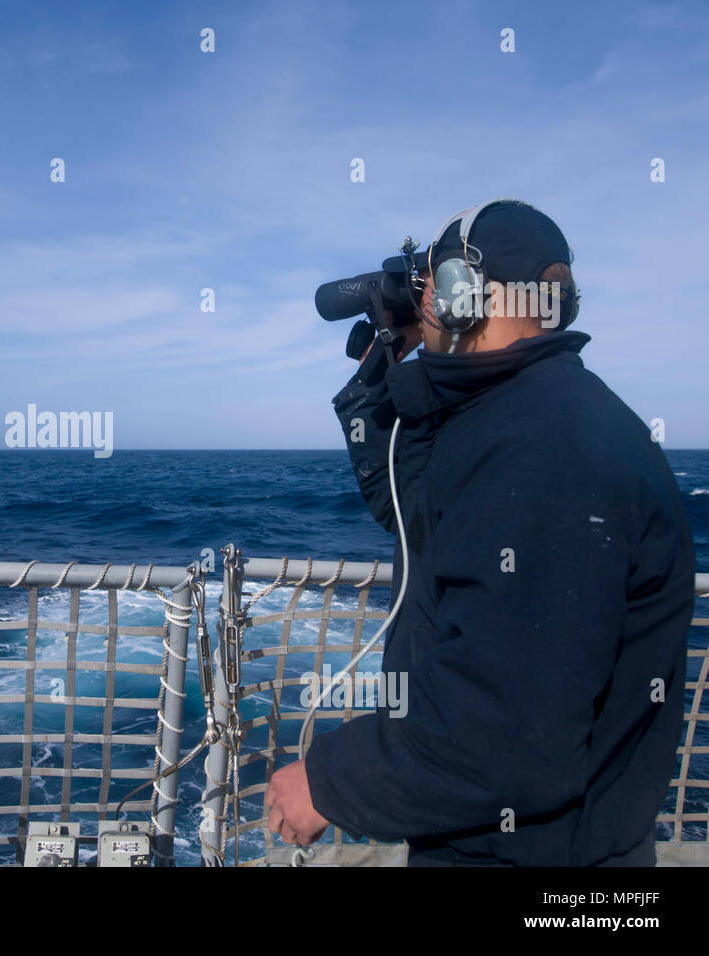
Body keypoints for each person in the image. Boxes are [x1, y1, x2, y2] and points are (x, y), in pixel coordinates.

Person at [264, 199, 695, 865]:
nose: (424, 299)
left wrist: (329, 781)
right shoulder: (528, 419)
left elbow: (506, 732)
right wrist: (384, 366)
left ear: (464, 292)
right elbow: (414, 518)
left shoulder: (547, 449)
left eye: (432, 282)